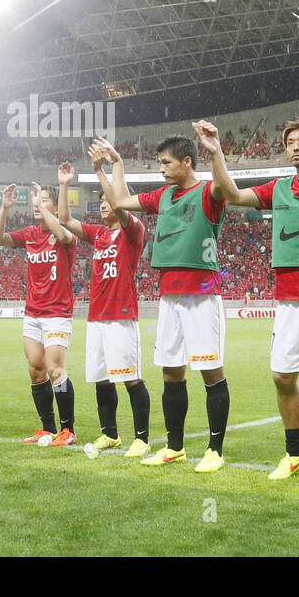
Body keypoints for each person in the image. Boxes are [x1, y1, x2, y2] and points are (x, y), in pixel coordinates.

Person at [198, 109, 299, 484]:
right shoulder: (278, 189)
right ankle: (295, 453)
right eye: (289, 143)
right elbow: (233, 194)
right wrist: (215, 152)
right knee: (282, 376)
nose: (295, 148)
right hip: (289, 299)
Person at [101, 132, 231, 473]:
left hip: (202, 294)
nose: (162, 169)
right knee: (171, 373)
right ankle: (175, 447)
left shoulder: (207, 192)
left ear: (186, 162)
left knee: (210, 371)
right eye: (160, 163)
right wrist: (116, 164)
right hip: (169, 297)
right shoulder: (164, 196)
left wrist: (214, 150)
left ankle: (215, 450)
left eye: (166, 163)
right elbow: (120, 203)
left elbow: (224, 185)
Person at [47, 147, 152, 457]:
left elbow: (119, 202)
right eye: (102, 201)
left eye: (108, 201)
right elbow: (64, 218)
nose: (105, 204)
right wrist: (65, 184)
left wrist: (100, 172)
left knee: (131, 378)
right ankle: (110, 435)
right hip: (96, 317)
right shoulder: (99, 234)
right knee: (101, 379)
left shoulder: (133, 232)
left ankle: (142, 438)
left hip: (121, 315)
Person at [0, 172, 78, 446]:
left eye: (44, 201)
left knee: (55, 369)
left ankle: (68, 431)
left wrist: (42, 207)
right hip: (33, 313)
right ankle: (47, 428)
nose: (37, 205)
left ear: (55, 207)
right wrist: (5, 208)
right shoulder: (29, 234)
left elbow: (61, 233)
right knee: (36, 370)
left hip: (57, 313)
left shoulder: (66, 233)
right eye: (35, 201)